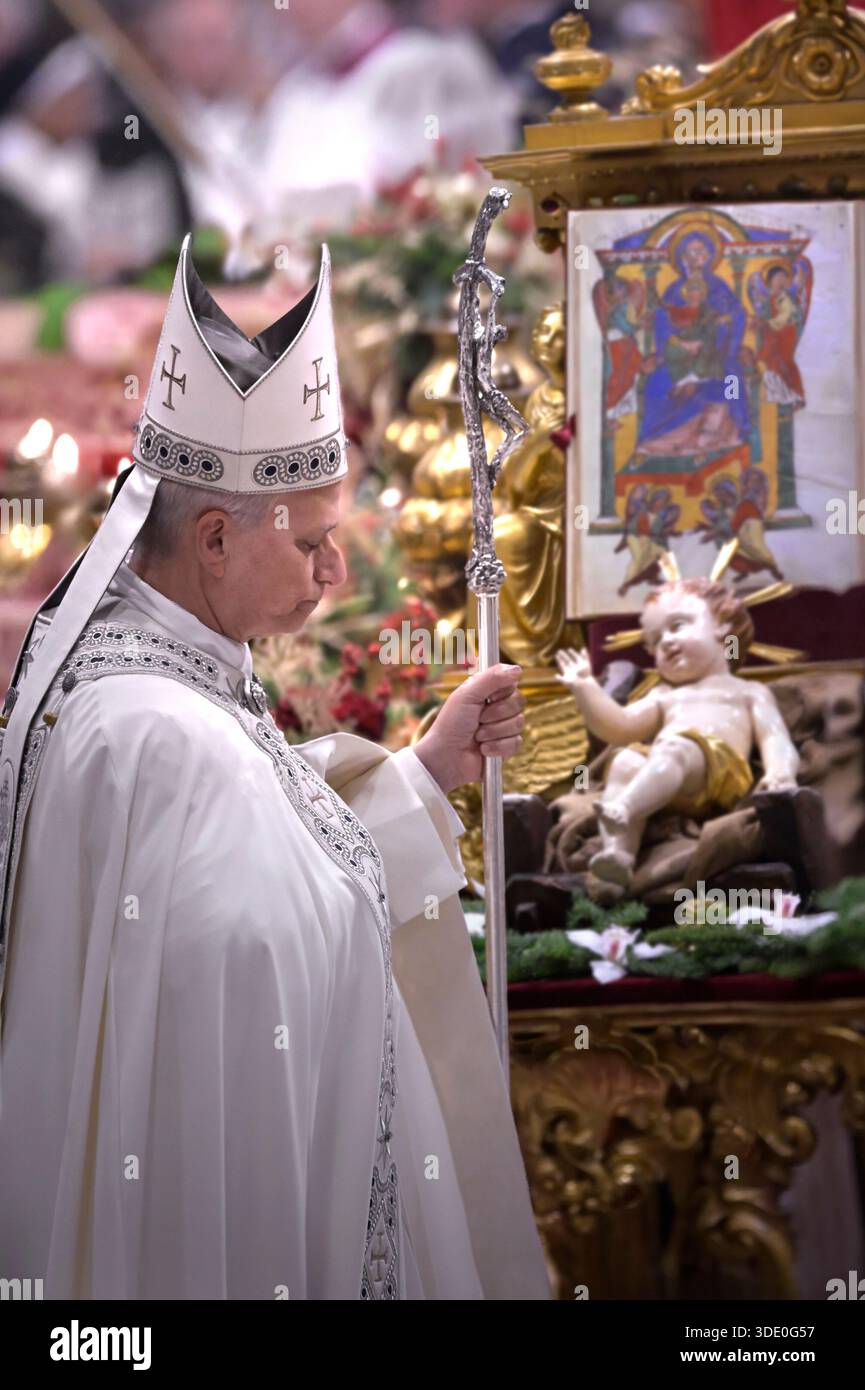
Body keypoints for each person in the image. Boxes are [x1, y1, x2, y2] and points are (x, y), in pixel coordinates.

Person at [0, 235, 551, 1300]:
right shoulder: (152, 735)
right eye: (310, 545)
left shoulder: (163, 683)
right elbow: (253, 975)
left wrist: (421, 775)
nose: (336, 573)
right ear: (212, 538)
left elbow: (276, 860)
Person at [554, 578, 799, 894]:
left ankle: (625, 810)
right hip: (666, 779)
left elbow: (774, 738)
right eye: (655, 640)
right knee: (626, 760)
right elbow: (619, 726)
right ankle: (617, 856)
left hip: (720, 776)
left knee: (676, 746)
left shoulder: (747, 691)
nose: (666, 642)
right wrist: (585, 686)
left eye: (678, 626)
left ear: (723, 626)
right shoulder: (664, 695)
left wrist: (781, 772)